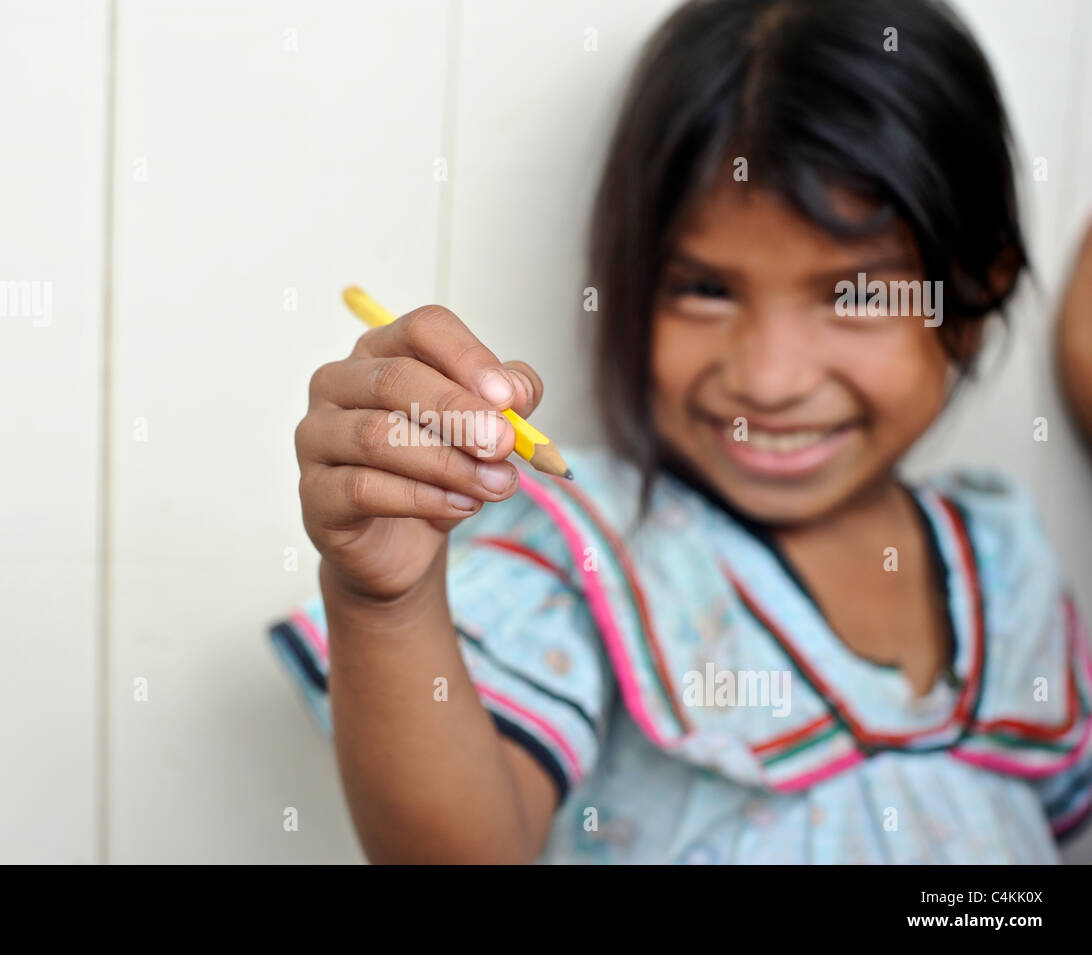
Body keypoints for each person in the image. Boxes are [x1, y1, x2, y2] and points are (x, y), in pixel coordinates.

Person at [268, 0, 1092, 863]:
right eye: (704, 289)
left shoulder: (1006, 560)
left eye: (855, 295)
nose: (769, 379)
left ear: (972, 293)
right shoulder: (590, 556)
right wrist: (387, 601)